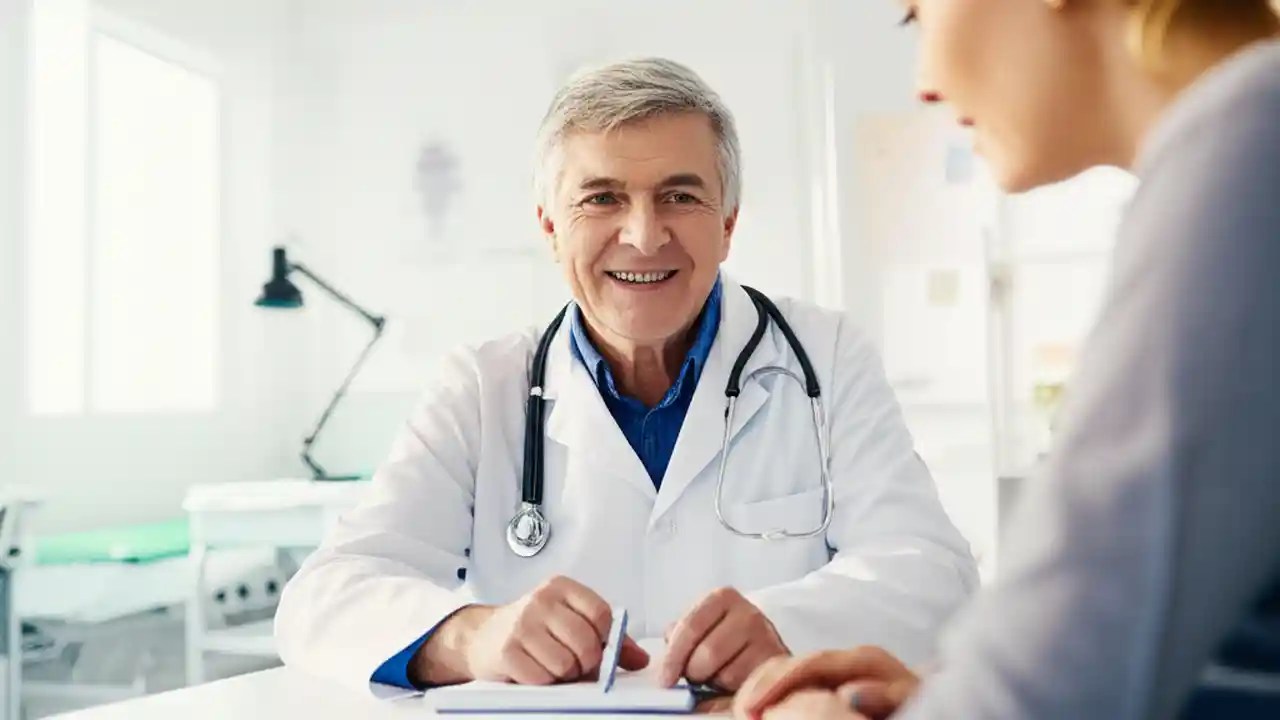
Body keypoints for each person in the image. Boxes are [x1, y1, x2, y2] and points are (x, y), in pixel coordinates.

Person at [273, 57, 977, 694]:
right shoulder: (482, 387)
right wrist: (470, 635)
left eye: (679, 195)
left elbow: (932, 574)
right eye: (602, 198)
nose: (643, 235)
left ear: (728, 221)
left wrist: (781, 623)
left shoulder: (823, 357)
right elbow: (323, 599)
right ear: (550, 226)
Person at [733, 1, 1280, 718]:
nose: (924, 82)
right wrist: (944, 693)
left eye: (917, 16)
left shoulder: (1247, 156)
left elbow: (1048, 697)